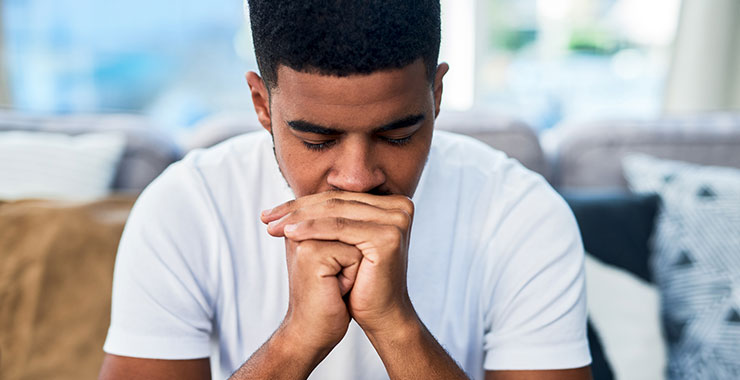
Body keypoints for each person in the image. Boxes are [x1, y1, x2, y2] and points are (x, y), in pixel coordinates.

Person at [98, 1, 592, 379]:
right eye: (317, 140)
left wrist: (395, 325)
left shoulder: (524, 214)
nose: (357, 178)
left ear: (436, 96)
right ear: (261, 104)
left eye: (397, 134)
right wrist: (295, 342)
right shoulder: (185, 207)